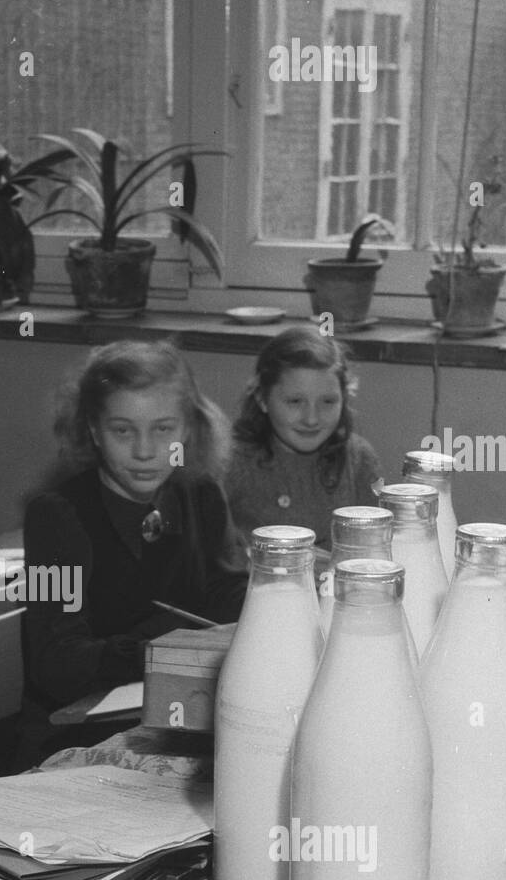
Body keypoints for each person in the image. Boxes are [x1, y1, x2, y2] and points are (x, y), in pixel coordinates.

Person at [20, 340, 247, 763]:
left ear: (188, 430)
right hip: (78, 735)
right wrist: (167, 651)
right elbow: (56, 662)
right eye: (122, 430)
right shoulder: (55, 516)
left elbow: (226, 594)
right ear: (93, 430)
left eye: (163, 429)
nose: (144, 451)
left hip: (180, 719)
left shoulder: (200, 494)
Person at [225, 324, 382, 549]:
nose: (311, 419)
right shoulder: (232, 461)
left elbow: (377, 546)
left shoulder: (360, 460)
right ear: (262, 398)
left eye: (328, 402)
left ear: (344, 398)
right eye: (295, 402)